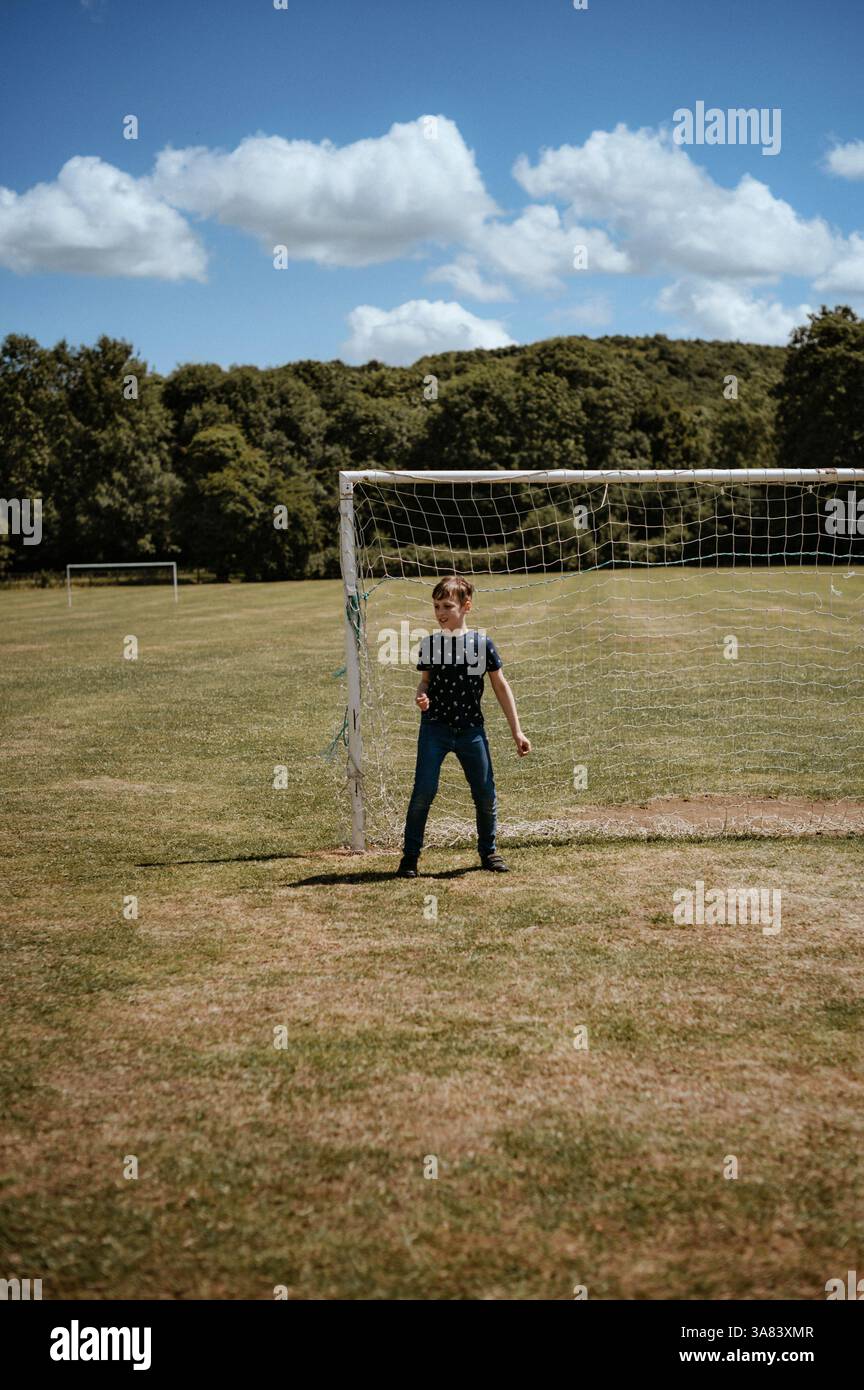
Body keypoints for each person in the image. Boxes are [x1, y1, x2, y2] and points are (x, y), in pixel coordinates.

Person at [396, 574, 531, 877]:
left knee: (484, 793)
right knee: (424, 791)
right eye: (435, 607)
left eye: (447, 606)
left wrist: (517, 731)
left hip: (471, 731)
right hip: (435, 729)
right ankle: (410, 857)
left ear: (466, 606)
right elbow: (424, 682)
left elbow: (500, 686)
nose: (440, 613)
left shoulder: (483, 644)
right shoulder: (430, 644)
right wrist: (421, 696)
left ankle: (489, 852)